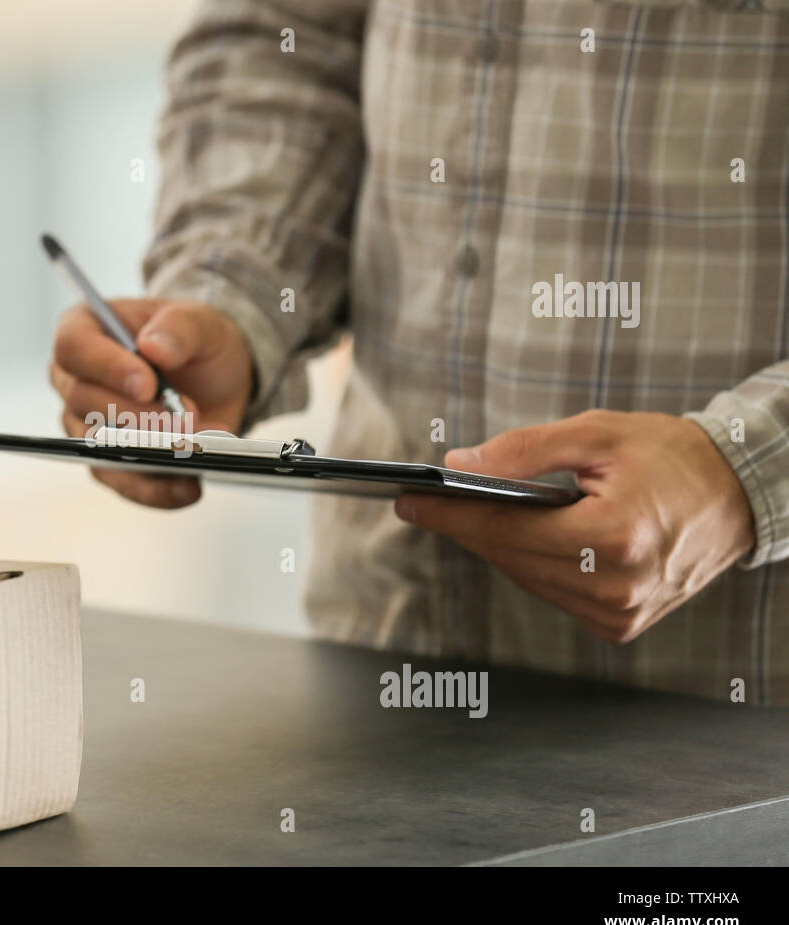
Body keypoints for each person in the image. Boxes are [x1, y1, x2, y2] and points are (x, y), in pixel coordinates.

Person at [49, 0, 788, 703]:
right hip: (385, 662)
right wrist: (231, 304)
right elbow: (285, 41)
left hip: (745, 715)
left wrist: (739, 476)